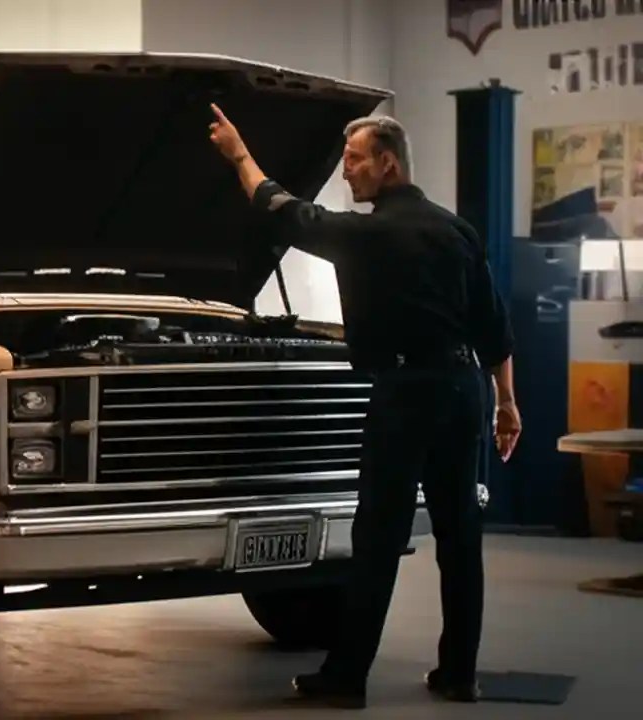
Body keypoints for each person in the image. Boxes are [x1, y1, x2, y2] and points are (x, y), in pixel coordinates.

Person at [207, 104, 521, 708]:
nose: (347, 173)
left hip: (406, 395)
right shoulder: (458, 231)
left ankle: (347, 678)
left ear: (387, 163)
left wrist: (239, 155)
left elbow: (281, 210)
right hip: (463, 391)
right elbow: (494, 326)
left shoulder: (369, 236)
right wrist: (507, 404)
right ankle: (460, 674)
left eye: (354, 160)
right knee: (461, 539)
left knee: (377, 538)